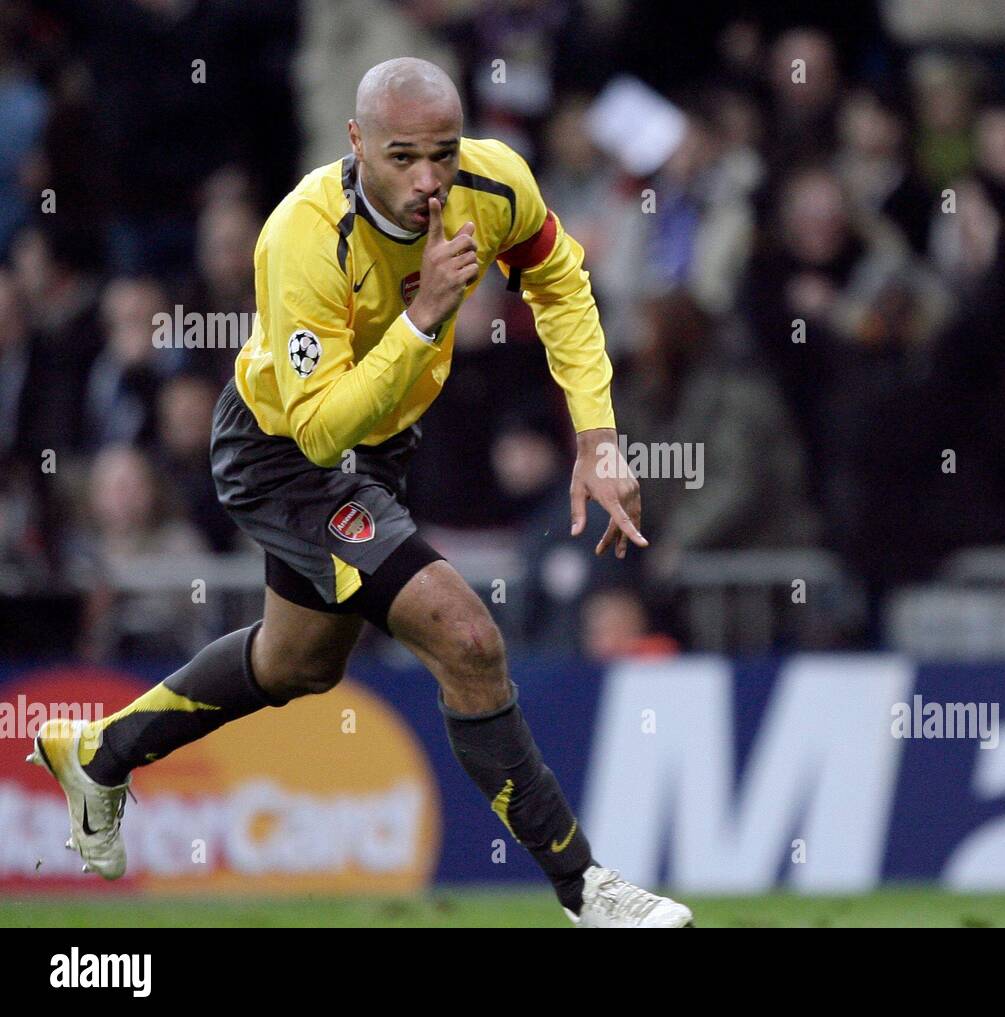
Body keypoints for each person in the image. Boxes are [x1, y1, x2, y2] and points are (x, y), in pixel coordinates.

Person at [29, 57, 692, 928]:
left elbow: (560, 280)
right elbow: (320, 430)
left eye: (443, 155)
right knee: (466, 634)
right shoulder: (302, 235)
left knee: (298, 661)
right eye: (403, 156)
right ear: (356, 144)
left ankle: (97, 752)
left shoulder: (494, 183)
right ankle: (585, 886)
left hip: (378, 444)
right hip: (283, 451)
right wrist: (423, 319)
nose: (428, 180)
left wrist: (598, 438)